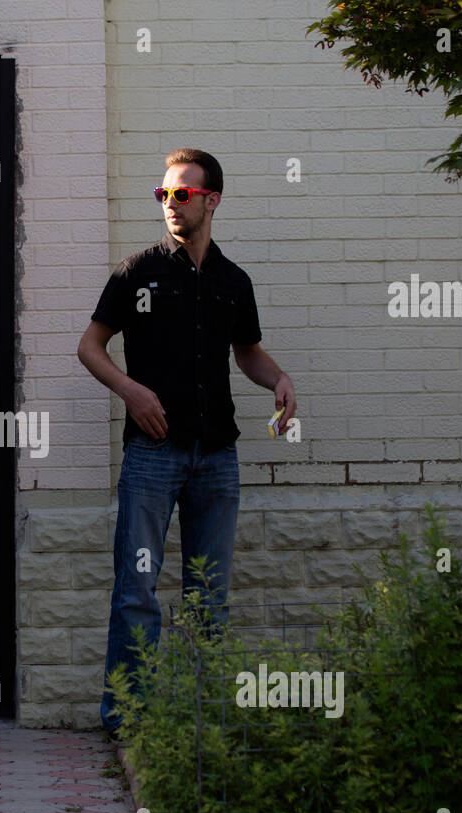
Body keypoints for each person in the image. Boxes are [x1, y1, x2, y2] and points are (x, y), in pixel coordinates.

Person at [76, 147, 297, 737]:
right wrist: (132, 392)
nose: (171, 205)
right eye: (163, 195)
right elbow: (89, 347)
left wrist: (277, 378)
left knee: (209, 598)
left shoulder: (232, 281)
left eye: (183, 195)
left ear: (212, 200)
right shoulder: (136, 272)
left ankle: (202, 724)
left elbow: (245, 352)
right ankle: (129, 724)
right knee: (137, 592)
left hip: (217, 457)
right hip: (152, 455)